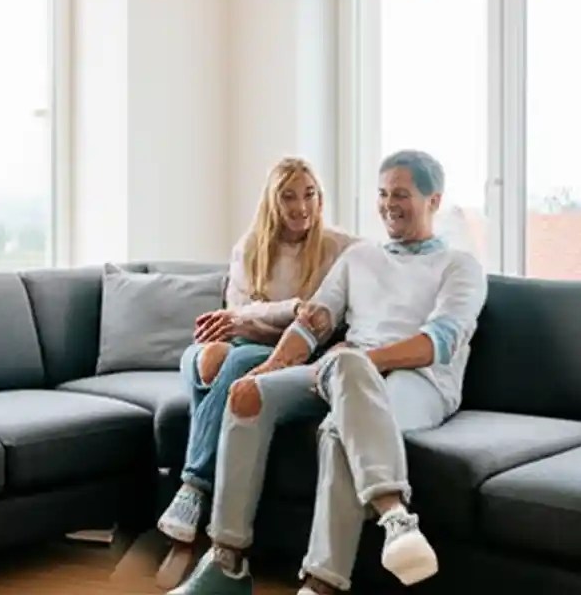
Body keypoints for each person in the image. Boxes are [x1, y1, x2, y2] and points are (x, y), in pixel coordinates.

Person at [170, 150, 488, 595]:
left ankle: (323, 583)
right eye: (382, 194)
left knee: (340, 426)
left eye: (401, 194)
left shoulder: (460, 266)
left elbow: (436, 345)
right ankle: (226, 563)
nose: (388, 204)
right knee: (246, 394)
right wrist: (268, 369)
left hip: (421, 383)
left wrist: (357, 360)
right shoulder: (360, 258)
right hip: (340, 369)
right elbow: (311, 320)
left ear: (434, 200)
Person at [155, 157, 357, 587]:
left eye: (309, 195)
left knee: (235, 364)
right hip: (241, 346)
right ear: (272, 201)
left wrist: (283, 316)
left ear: (321, 198)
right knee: (207, 358)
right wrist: (287, 309)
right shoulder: (250, 248)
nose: (301, 206)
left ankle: (194, 488)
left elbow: (317, 316)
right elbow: (238, 315)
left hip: (282, 355)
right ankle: (202, 511)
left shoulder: (341, 248)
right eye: (288, 196)